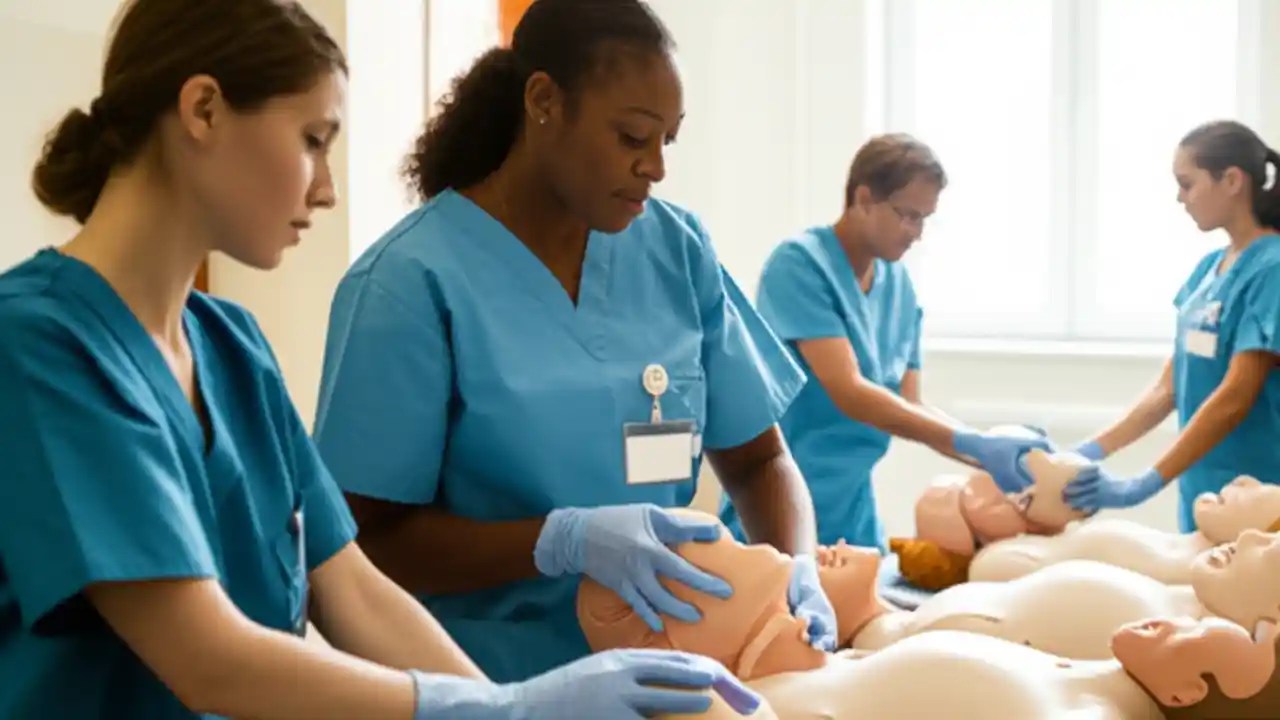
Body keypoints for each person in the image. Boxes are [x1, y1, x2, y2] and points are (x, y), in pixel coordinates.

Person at [0, 1, 762, 718]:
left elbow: (354, 592)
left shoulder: (231, 347)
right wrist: (500, 707)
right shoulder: (41, 345)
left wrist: (513, 710)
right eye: (312, 141)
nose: (328, 190)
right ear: (202, 111)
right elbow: (206, 655)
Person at [312, 0, 837, 684]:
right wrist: (560, 542)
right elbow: (355, 552)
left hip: (669, 667)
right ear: (543, 101)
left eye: (667, 142)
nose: (655, 168)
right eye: (631, 137)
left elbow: (760, 460)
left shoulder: (678, 251)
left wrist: (798, 565)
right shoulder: (409, 284)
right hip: (486, 679)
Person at [720, 134, 1051, 551]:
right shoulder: (799, 265)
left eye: (925, 219)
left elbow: (911, 403)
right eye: (907, 215)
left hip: (852, 510)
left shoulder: (900, 287)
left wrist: (991, 454)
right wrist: (974, 445)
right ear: (863, 198)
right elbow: (850, 392)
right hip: (780, 502)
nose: (916, 233)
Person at [1063, 120, 1280, 530]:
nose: (1180, 198)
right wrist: (1092, 450)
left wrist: (1145, 482)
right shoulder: (1206, 272)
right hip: (1202, 491)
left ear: (1232, 180)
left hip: (1257, 497)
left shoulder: (1272, 269)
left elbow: (1235, 395)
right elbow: (1169, 386)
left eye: (1187, 183)